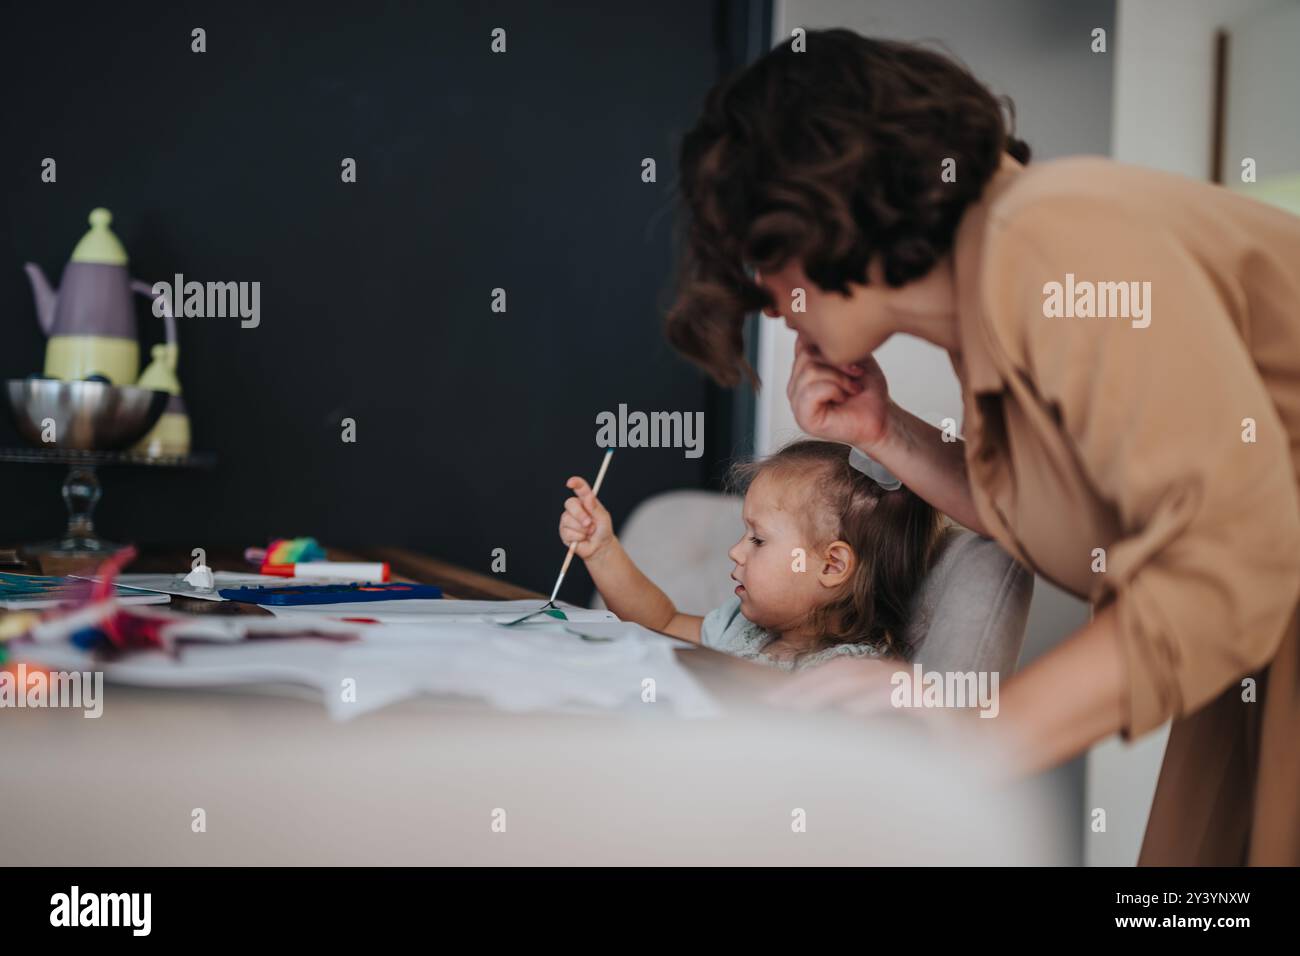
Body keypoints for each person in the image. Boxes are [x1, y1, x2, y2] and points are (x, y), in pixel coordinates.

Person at [664, 28, 1300, 865]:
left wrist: (971, 739)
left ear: (824, 212)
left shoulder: (1051, 240)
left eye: (762, 259)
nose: (773, 308)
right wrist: (883, 433)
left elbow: (1236, 548)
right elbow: (1076, 535)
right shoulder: (992, 300)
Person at [558, 439, 942, 670]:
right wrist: (603, 551)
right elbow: (660, 620)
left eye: (757, 540)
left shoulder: (851, 673)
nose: (735, 551)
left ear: (832, 565)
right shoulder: (738, 628)